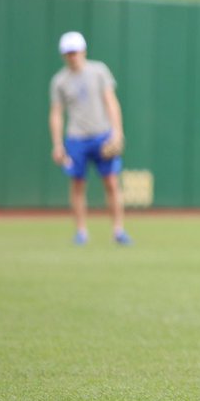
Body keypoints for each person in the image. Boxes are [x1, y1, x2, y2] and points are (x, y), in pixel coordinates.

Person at [48, 31, 130, 246]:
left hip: (102, 134)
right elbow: (56, 113)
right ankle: (81, 232)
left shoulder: (98, 71)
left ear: (83, 51)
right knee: (77, 184)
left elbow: (111, 101)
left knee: (111, 182)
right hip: (76, 138)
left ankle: (118, 230)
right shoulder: (60, 81)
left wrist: (117, 131)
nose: (72, 56)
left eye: (75, 52)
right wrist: (57, 144)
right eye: (68, 53)